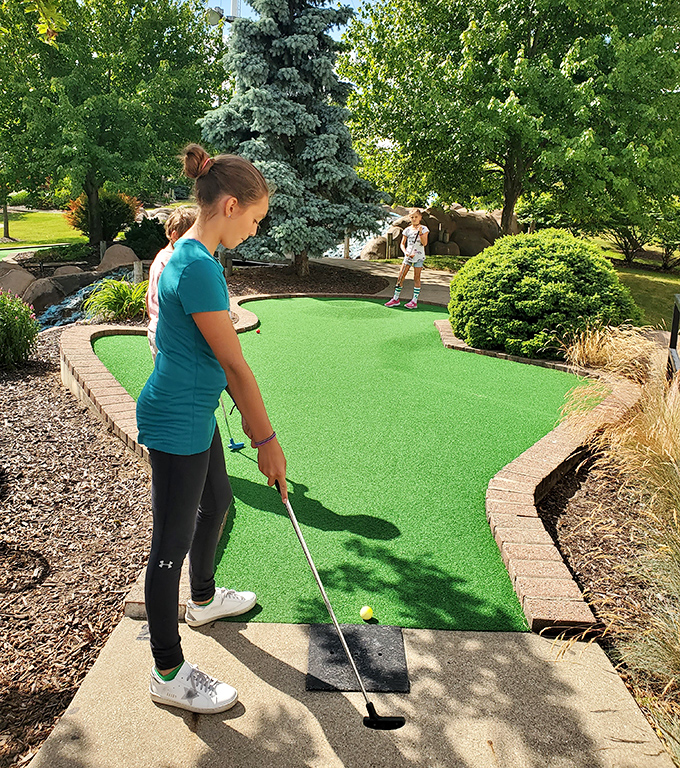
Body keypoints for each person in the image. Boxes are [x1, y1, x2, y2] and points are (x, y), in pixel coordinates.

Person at [136, 143, 288, 715]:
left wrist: (257, 432)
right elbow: (233, 366)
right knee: (167, 548)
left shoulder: (191, 256)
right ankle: (168, 671)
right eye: (254, 219)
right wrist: (266, 441)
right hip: (176, 421)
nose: (254, 230)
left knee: (218, 501)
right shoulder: (197, 267)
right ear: (229, 205)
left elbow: (214, 359)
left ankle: (202, 600)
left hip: (193, 412)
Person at [146, 206, 197, 361]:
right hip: (170, 334)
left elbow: (148, 295)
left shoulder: (160, 256)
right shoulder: (173, 261)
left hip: (157, 328)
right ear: (175, 236)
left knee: (165, 378)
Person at [385, 208, 429, 308]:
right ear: (409, 218)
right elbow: (402, 244)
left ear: (420, 218)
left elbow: (424, 243)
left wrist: (421, 233)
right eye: (412, 217)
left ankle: (414, 300)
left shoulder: (424, 229)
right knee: (401, 276)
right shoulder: (407, 230)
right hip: (408, 256)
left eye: (416, 217)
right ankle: (395, 298)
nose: (414, 219)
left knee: (416, 277)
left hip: (419, 257)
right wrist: (406, 253)